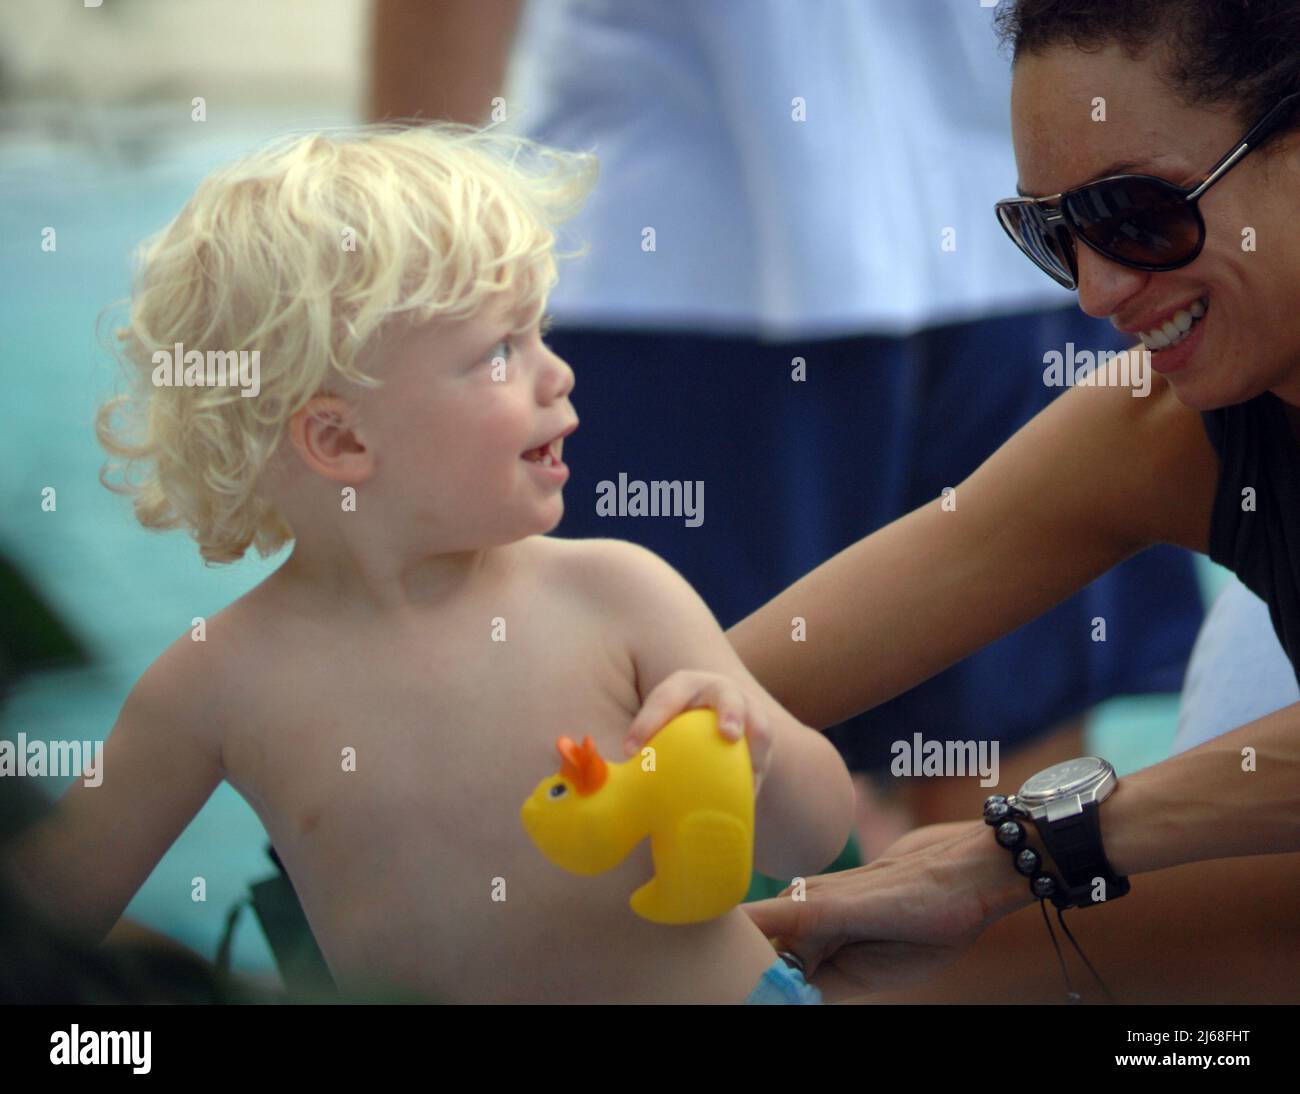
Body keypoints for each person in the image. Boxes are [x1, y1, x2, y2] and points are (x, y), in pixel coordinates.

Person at [0, 125, 854, 1004]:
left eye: (541, 333)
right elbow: (48, 910)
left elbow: (814, 836)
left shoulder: (615, 592)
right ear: (341, 438)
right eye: (500, 351)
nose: (558, 374)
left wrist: (753, 740)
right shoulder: (217, 681)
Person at [368, 0, 1206, 849]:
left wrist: (411, 288)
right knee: (650, 775)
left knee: (646, 772)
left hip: (910, 237)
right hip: (951, 231)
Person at [624, 0, 1300, 999]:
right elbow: (734, 676)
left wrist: (997, 854)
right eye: (1053, 233)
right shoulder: (1160, 430)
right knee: (846, 967)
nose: (1097, 292)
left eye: (1138, 216)